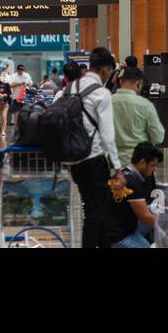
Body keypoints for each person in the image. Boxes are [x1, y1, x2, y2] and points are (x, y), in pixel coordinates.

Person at [60, 47, 122, 249]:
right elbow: (107, 135)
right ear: (105, 70)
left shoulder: (68, 89)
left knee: (98, 208)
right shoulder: (101, 93)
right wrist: (118, 168)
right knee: (95, 214)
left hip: (73, 160)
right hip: (94, 159)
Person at [106, 142, 163, 248]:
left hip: (111, 230)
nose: (154, 170)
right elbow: (145, 217)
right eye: (153, 165)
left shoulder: (123, 174)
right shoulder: (132, 182)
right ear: (142, 162)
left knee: (153, 209)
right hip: (118, 237)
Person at [112, 66, 165, 166]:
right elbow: (158, 136)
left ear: (120, 82)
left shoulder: (107, 103)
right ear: (139, 83)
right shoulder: (145, 105)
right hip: (141, 164)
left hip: (115, 164)